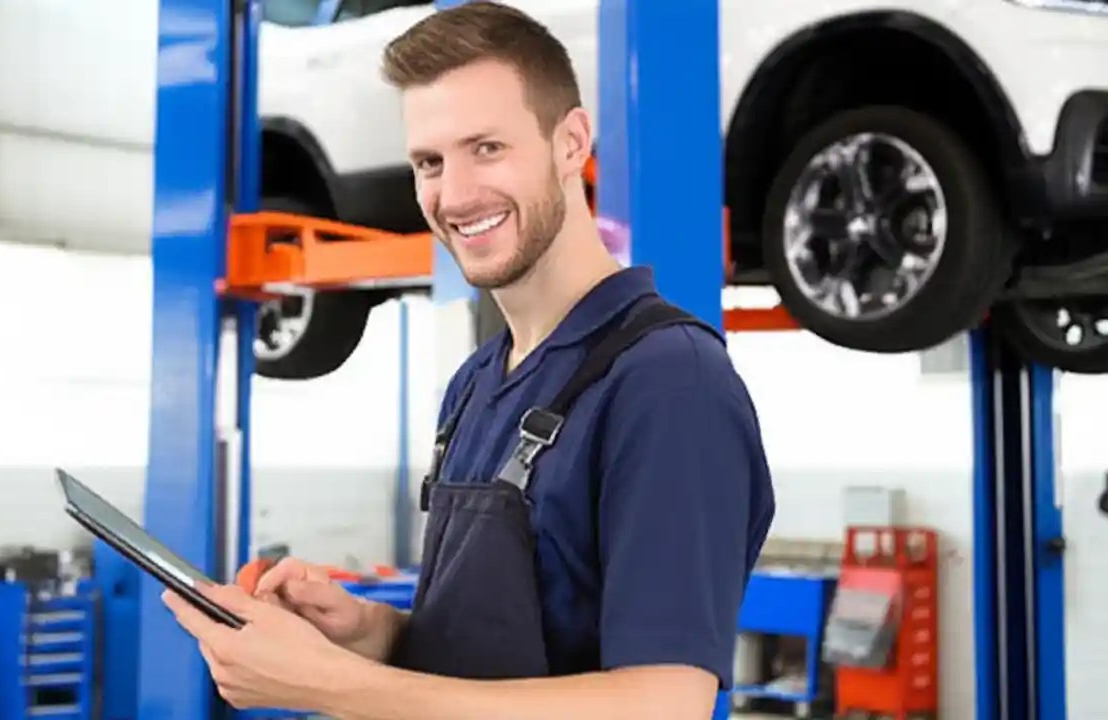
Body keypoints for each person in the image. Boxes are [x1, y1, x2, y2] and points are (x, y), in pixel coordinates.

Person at [162, 2, 776, 717]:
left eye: (487, 148)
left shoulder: (668, 381)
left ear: (572, 142)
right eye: (430, 162)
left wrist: (327, 685)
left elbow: (663, 703)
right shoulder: (478, 382)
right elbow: (489, 655)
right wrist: (366, 631)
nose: (453, 195)